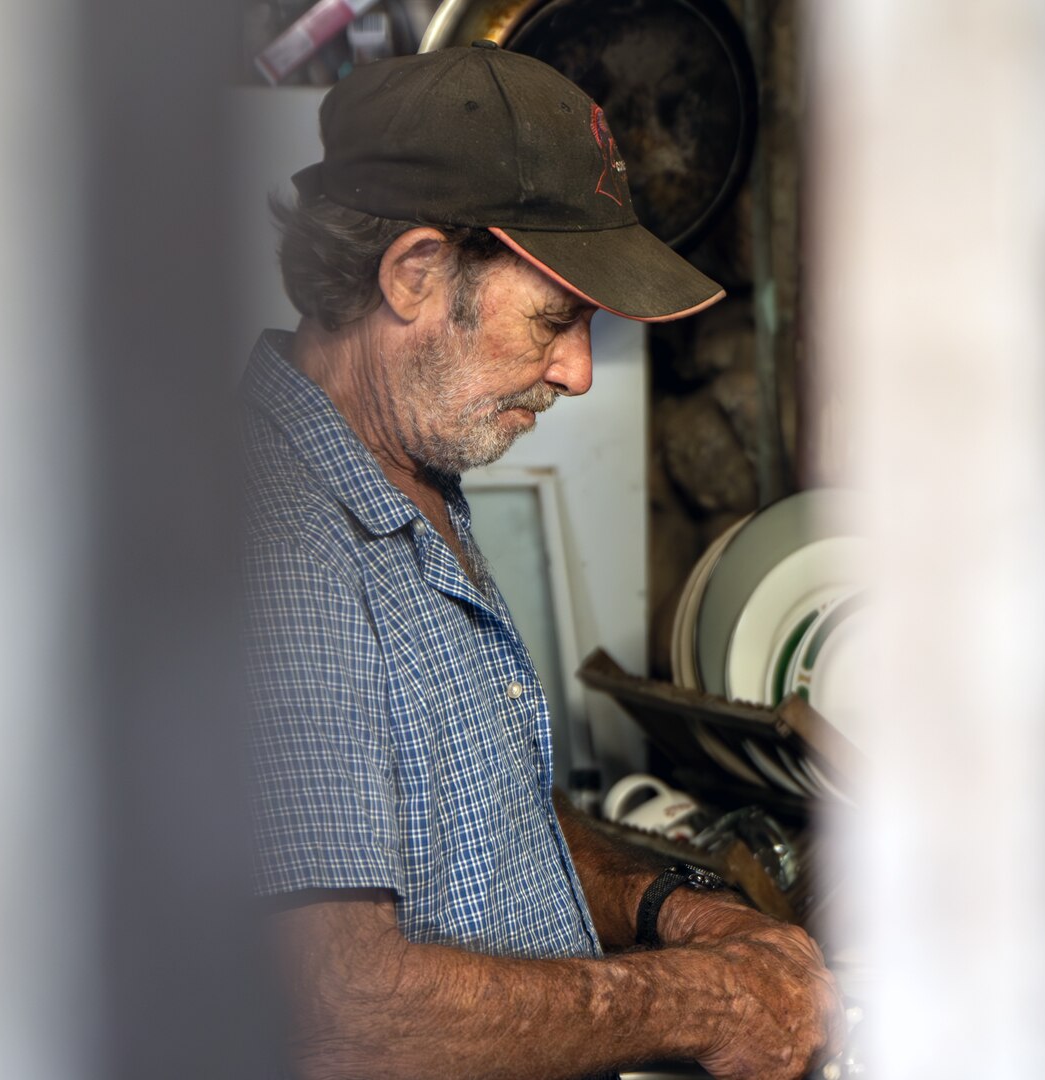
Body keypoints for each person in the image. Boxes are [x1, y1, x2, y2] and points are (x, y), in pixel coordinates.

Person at [240, 42, 841, 1080]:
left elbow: (485, 825)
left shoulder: (411, 486)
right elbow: (341, 1012)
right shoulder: (290, 544)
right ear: (415, 274)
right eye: (555, 319)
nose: (575, 371)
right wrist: (698, 1002)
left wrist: (664, 906)